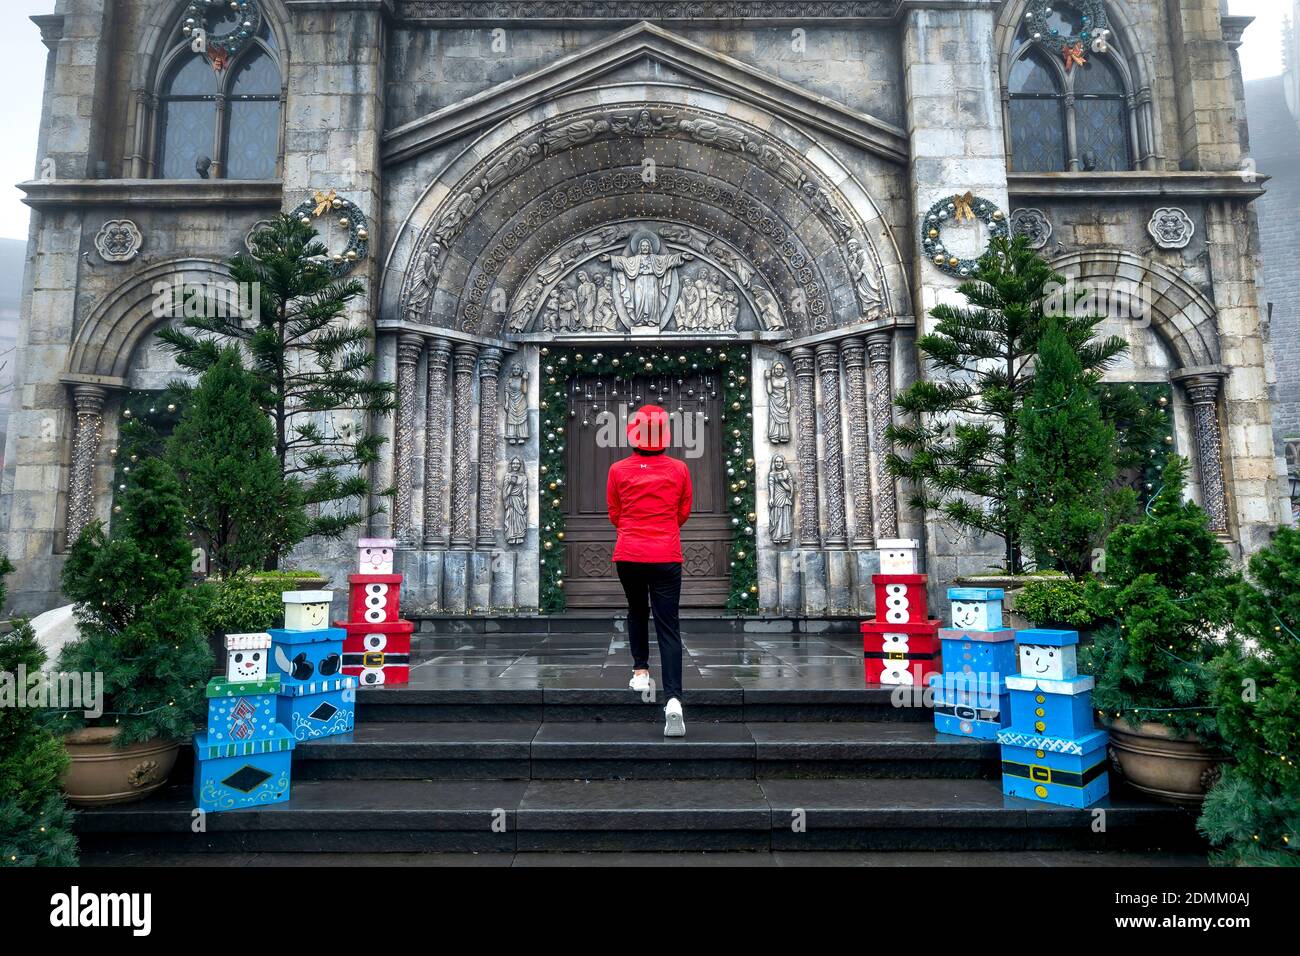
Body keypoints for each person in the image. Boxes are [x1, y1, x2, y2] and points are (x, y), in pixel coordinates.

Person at [606, 404, 693, 736]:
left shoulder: (617, 470)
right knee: (669, 626)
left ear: (633, 434)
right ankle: (673, 700)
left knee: (637, 611)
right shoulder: (680, 469)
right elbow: (682, 511)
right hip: (666, 554)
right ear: (664, 436)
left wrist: (634, 527)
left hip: (628, 553)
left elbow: (615, 513)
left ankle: (640, 672)